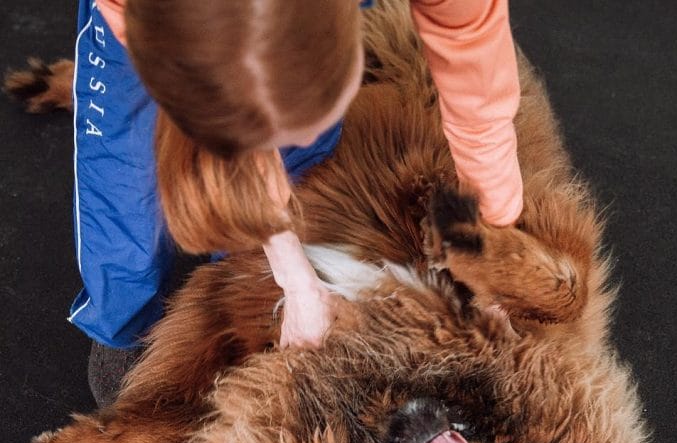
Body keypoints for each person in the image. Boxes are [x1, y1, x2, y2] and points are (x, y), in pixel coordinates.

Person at [73, 0, 523, 405]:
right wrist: (297, 282)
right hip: (157, 23)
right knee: (124, 184)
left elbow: (480, 110)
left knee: (303, 158)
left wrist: (493, 264)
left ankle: (241, 269)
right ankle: (122, 319)